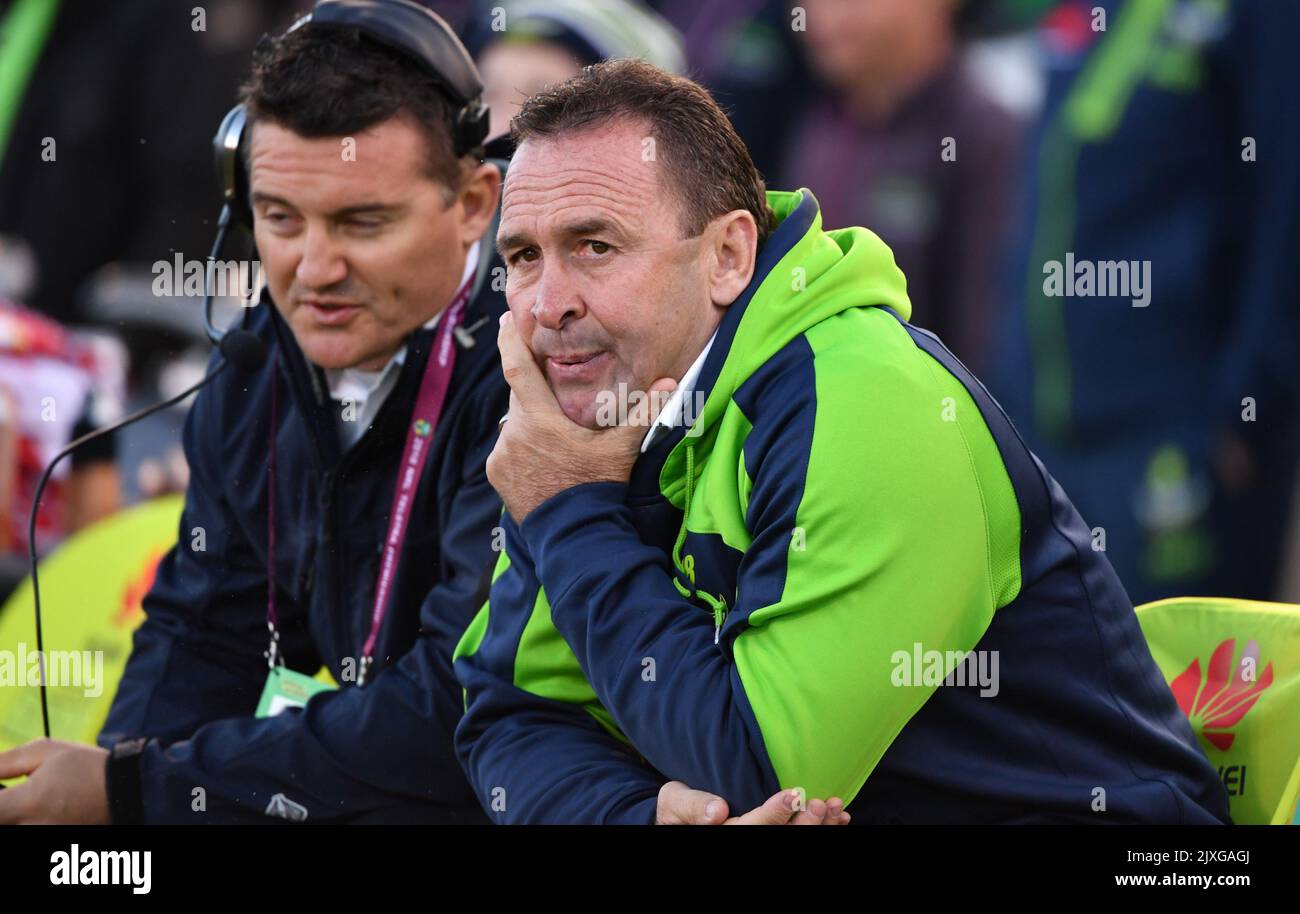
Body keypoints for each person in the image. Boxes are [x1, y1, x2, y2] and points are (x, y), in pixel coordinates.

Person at [452, 58, 1230, 824]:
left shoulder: (869, 398)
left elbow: (761, 770)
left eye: (595, 247)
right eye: (523, 257)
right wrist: (639, 813)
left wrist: (569, 512)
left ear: (728, 257)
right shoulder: (590, 417)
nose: (548, 304)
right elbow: (503, 714)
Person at [0, 0, 506, 824]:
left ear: (475, 202)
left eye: (362, 222)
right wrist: (119, 821)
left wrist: (134, 791)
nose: (314, 269)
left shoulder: (547, 365)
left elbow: (454, 710)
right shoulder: (252, 368)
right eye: (279, 219)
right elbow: (203, 635)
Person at [988, 0, 1300, 605]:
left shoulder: (1261, 17)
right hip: (1046, 436)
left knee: (1188, 686)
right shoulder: (1087, 14)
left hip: (1175, 442)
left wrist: (1249, 411)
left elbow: (1284, 214)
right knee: (1062, 687)